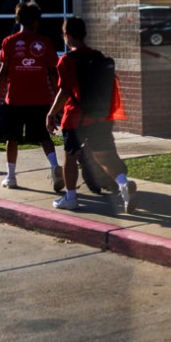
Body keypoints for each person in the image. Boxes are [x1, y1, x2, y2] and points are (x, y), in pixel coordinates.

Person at [45, 16, 132, 214]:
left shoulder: (67, 60)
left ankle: (71, 198)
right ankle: (124, 185)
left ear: (67, 35)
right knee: (104, 155)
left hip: (76, 118)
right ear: (84, 34)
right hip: (101, 116)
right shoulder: (99, 57)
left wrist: (51, 113)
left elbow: (64, 91)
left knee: (70, 156)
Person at [0, 2, 59, 187]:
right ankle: (55, 166)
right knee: (44, 136)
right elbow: (53, 73)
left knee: (12, 138)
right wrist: (58, 98)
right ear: (36, 21)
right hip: (40, 99)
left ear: (18, 20)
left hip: (15, 100)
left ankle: (11, 177)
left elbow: (4, 72)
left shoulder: (9, 42)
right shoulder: (45, 42)